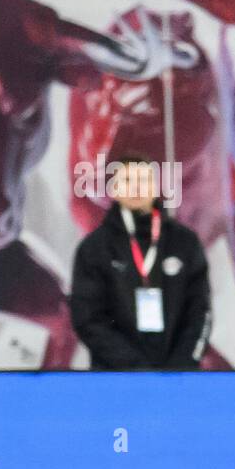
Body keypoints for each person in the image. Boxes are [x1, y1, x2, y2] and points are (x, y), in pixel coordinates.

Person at [70, 154, 211, 370]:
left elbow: (200, 312)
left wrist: (179, 367)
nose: (136, 188)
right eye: (127, 181)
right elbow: (88, 319)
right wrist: (135, 367)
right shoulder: (95, 248)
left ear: (155, 187)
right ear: (114, 189)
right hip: (116, 379)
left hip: (176, 380)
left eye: (143, 181)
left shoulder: (184, 242)